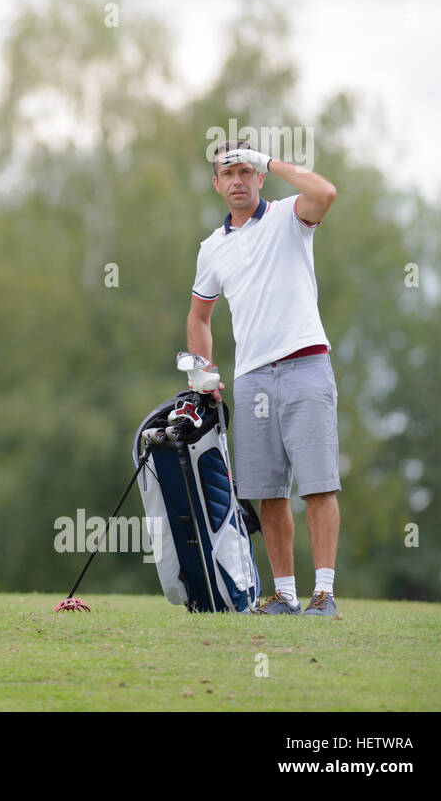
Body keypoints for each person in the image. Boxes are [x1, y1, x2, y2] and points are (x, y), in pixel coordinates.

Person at [185, 141, 341, 616]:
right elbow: (198, 318)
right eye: (227, 173)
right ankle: (286, 596)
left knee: (318, 485)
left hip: (306, 363)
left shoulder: (289, 216)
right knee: (269, 492)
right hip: (252, 377)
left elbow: (326, 192)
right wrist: (203, 370)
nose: (237, 180)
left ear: (258, 178)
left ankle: (324, 593)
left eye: (245, 171)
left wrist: (270, 159)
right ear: (216, 184)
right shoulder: (212, 249)